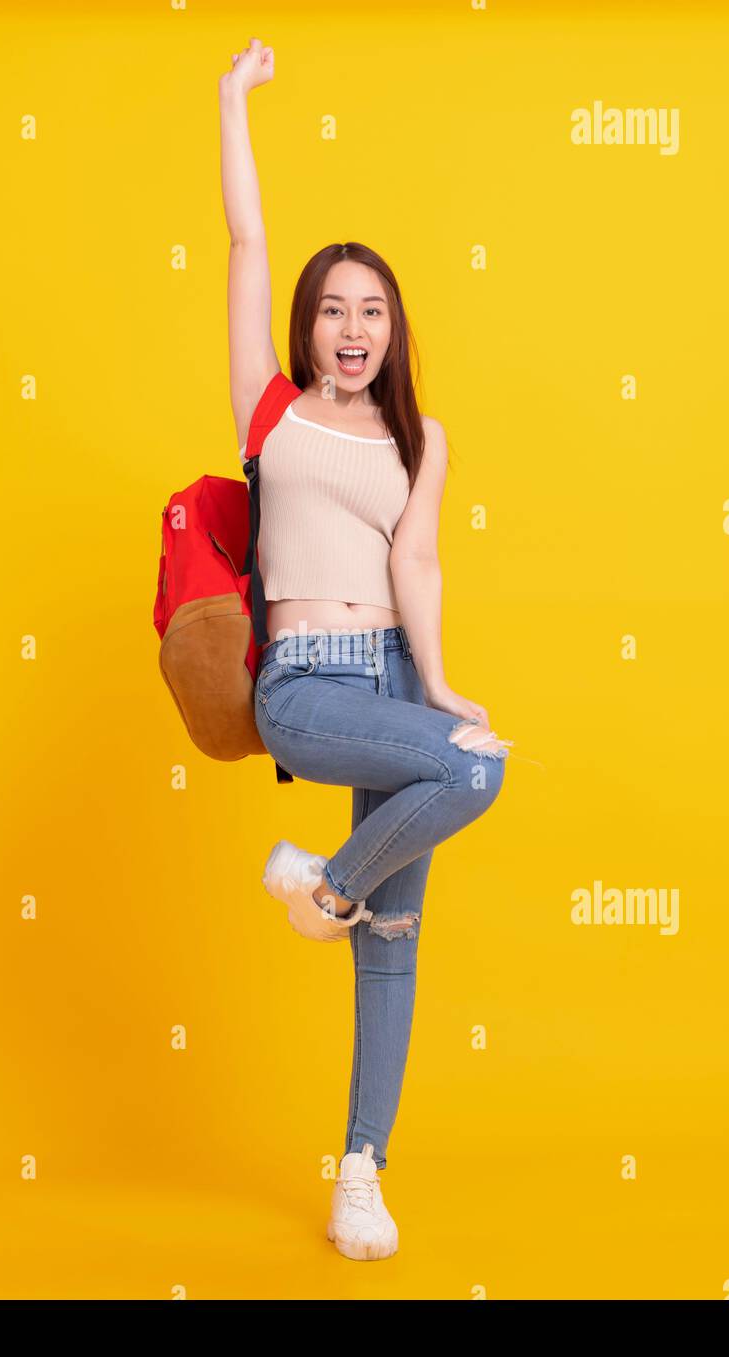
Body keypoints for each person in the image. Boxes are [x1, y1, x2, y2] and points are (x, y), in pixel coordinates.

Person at [220, 37, 512, 1262]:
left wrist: (441, 686)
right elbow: (243, 245)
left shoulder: (420, 437)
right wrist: (234, 99)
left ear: (393, 330)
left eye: (371, 311)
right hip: (305, 683)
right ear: (308, 324)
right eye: (333, 310)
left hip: (393, 674)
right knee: (472, 775)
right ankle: (323, 887)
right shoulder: (270, 408)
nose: (352, 328)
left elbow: (418, 566)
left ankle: (359, 1173)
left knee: (392, 945)